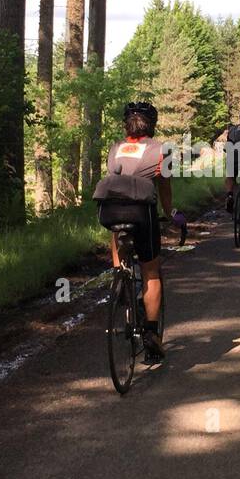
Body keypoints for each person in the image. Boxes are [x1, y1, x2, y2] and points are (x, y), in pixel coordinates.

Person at [99, 101, 184, 364]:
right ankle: (151, 333)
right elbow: (164, 189)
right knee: (151, 271)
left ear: (127, 124)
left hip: (109, 211)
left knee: (117, 228)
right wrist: (171, 214)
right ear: (153, 124)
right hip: (142, 213)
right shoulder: (162, 150)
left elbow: (116, 180)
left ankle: (119, 272)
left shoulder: (115, 148)